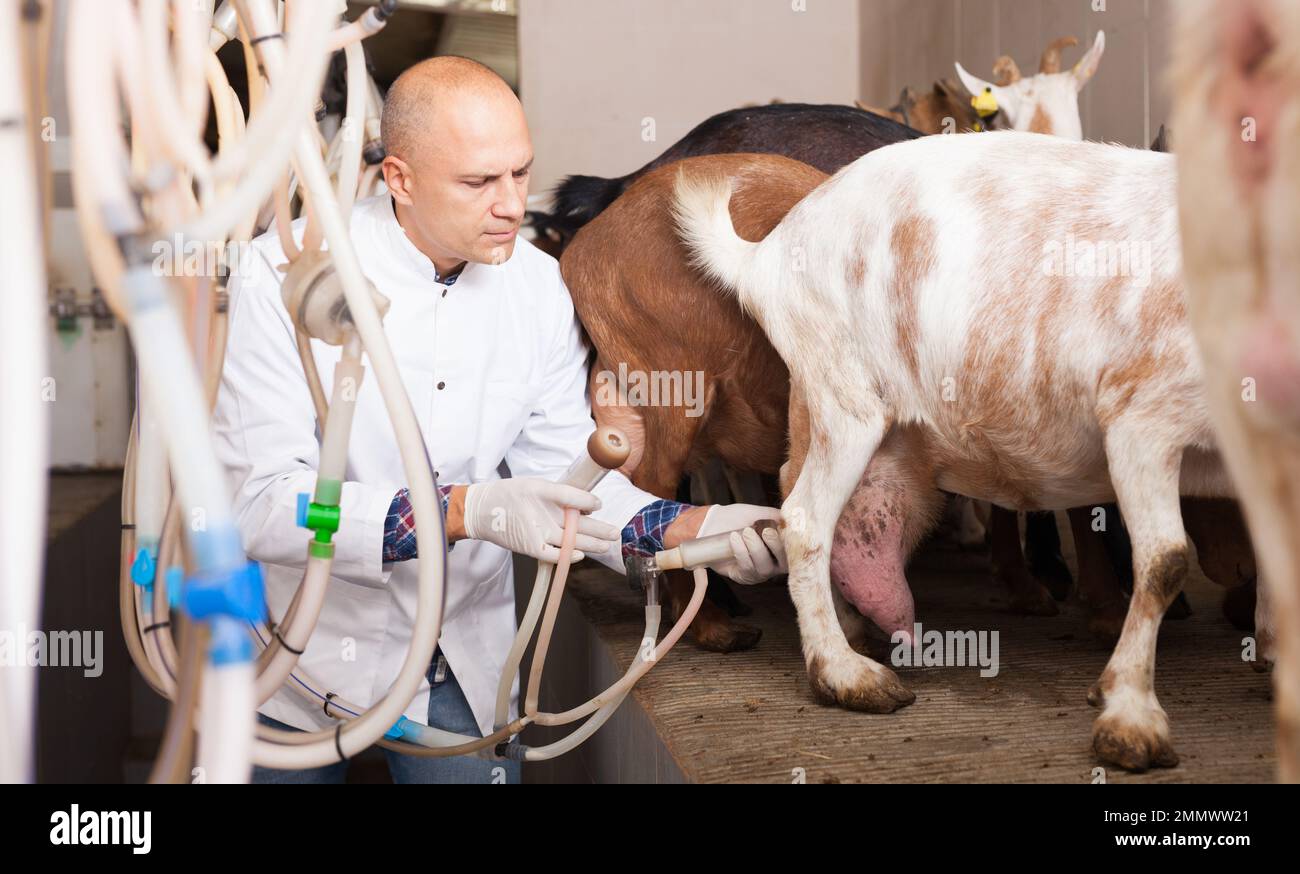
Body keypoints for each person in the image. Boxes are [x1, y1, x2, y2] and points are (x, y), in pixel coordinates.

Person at [211, 56, 787, 784]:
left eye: (521, 172)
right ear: (399, 179)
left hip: (459, 658)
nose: (512, 204)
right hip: (297, 656)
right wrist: (464, 511)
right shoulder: (282, 278)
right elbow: (265, 506)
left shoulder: (537, 287)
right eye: (480, 182)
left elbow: (570, 482)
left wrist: (699, 531)